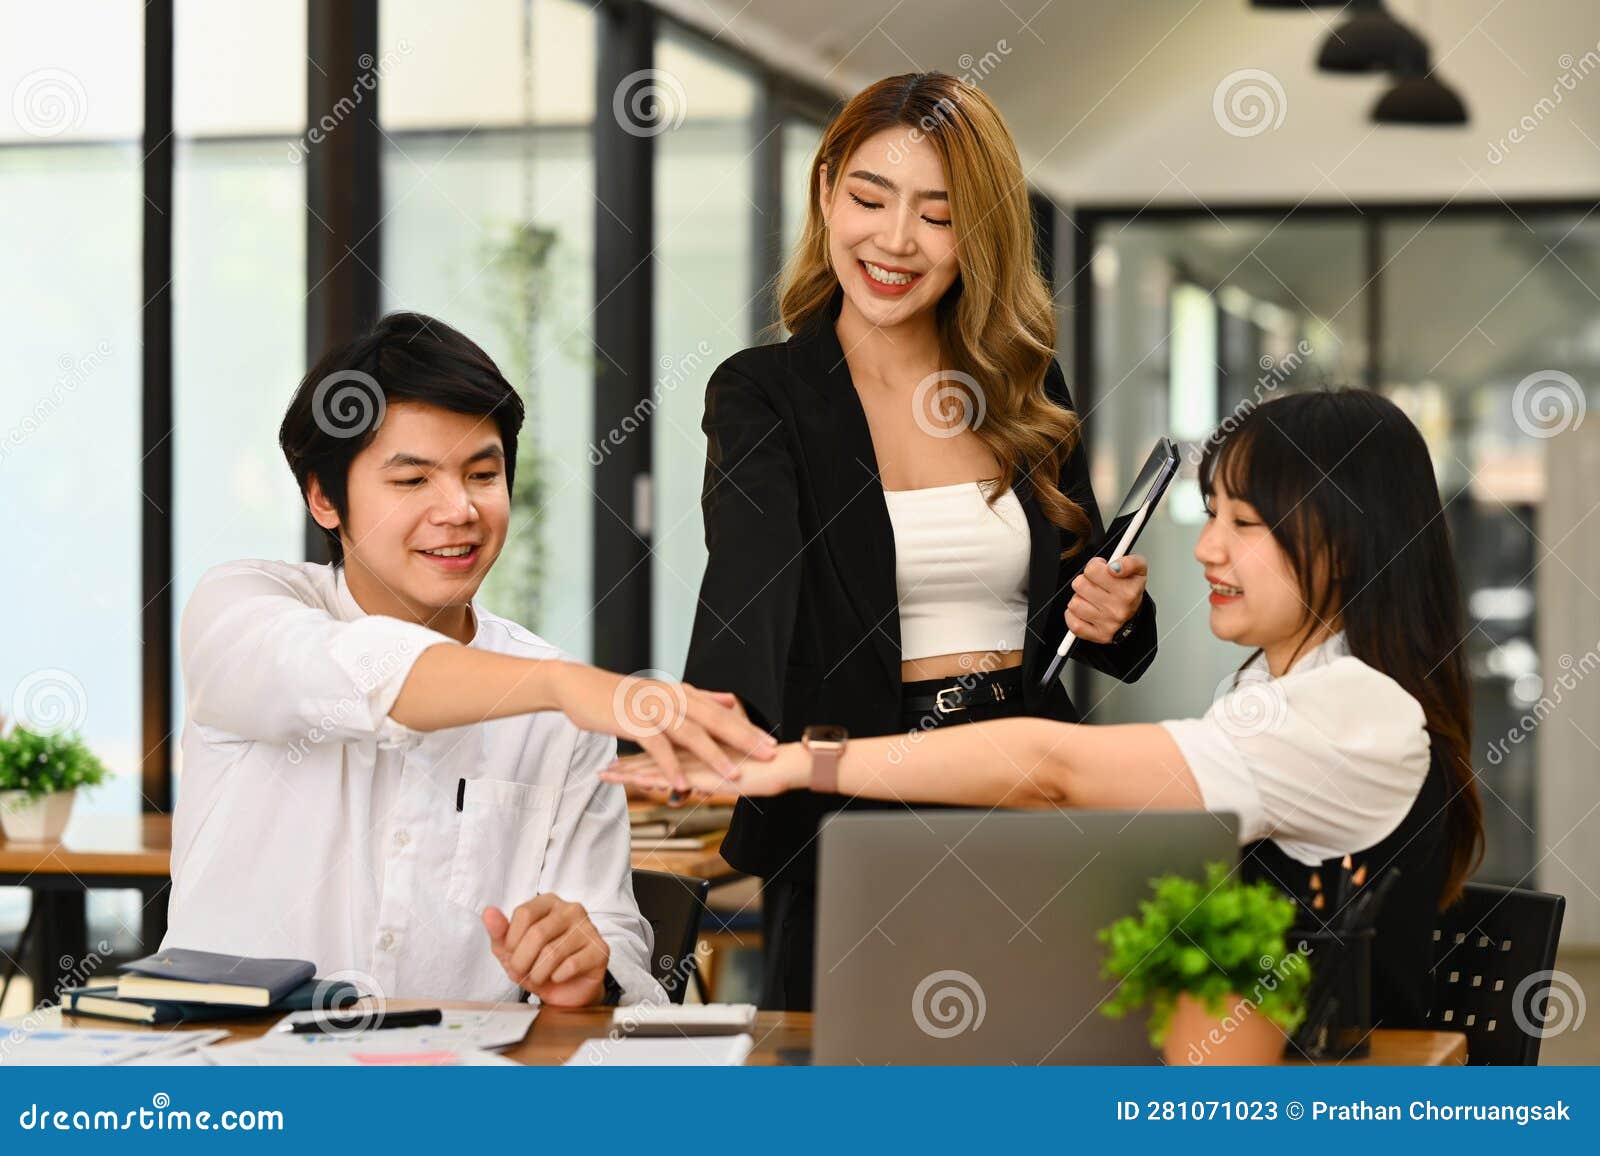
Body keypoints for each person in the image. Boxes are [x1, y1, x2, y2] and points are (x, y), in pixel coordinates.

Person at [612, 388, 1486, 1027]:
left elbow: (1059, 772)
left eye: (1246, 524)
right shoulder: (1268, 689)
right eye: (1210, 511)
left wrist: (805, 760)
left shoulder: (1350, 710)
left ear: (1350, 536)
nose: (1210, 548)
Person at [681, 72, 1158, 1011]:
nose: (894, 241)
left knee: (1038, 1073)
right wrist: (711, 719)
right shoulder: (765, 393)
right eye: (868, 198)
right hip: (847, 807)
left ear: (978, 235)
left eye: (937, 216)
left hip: (1022, 789)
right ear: (826, 195)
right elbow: (752, 582)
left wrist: (1118, 614)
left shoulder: (1026, 384)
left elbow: (1089, 599)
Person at [164, 312, 773, 1007]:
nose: (458, 509)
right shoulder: (241, 609)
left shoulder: (554, 701)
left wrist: (586, 971)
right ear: (323, 498)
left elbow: (612, 940)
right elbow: (365, 672)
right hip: (235, 1081)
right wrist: (566, 687)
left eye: (483, 474)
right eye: (412, 481)